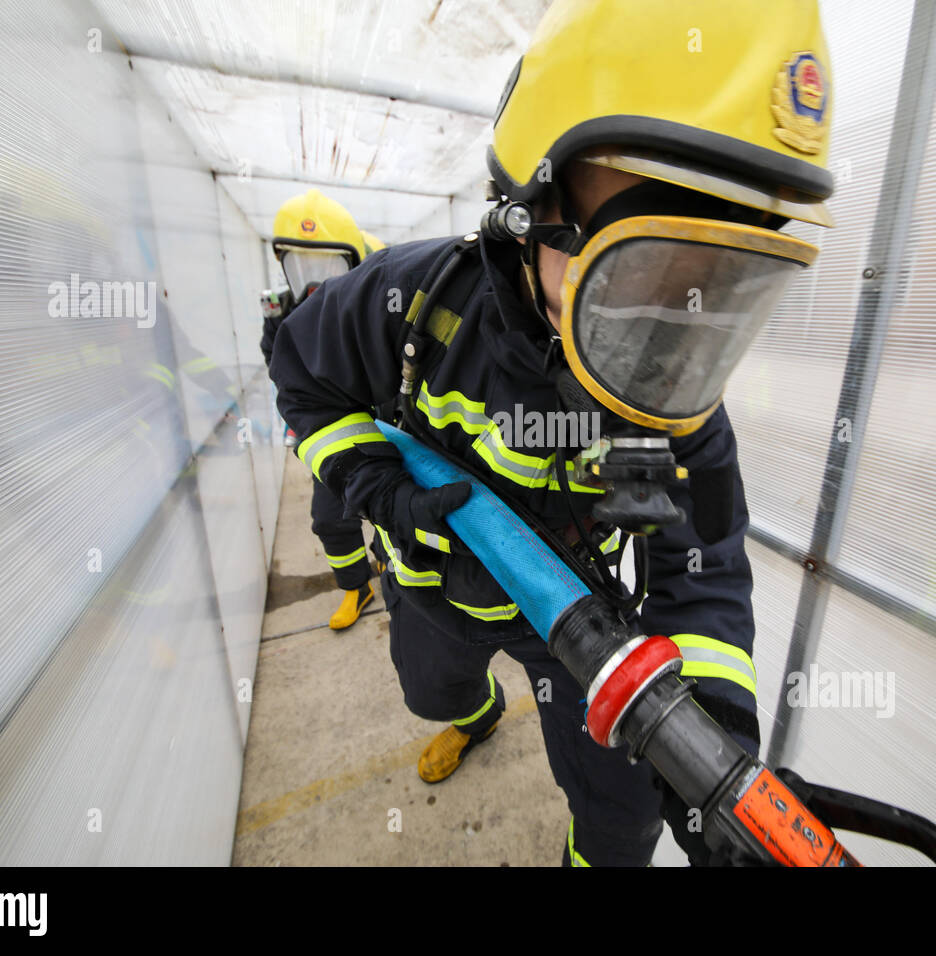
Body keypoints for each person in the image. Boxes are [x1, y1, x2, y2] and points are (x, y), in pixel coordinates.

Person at [270, 0, 834, 865]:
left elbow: (703, 557)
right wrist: (374, 483)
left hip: (574, 629)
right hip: (428, 592)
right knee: (431, 694)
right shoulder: (407, 302)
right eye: (642, 259)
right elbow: (302, 378)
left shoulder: (673, 393)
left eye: (715, 281)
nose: (672, 317)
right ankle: (476, 716)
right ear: (527, 207)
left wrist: (714, 733)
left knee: (621, 821)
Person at [260, 188, 383, 630]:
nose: (314, 281)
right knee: (330, 519)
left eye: (326, 267)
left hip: (386, 426)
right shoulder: (280, 316)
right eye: (300, 265)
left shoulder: (369, 303)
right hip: (332, 431)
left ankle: (387, 562)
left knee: (395, 512)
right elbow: (282, 375)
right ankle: (356, 586)